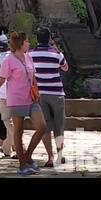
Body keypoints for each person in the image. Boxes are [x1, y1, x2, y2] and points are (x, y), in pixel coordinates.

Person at [0, 32, 47, 176]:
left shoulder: (29, 57)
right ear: (20, 44)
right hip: (16, 100)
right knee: (18, 131)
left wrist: (37, 91)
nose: (29, 43)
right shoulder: (8, 60)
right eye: (27, 41)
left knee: (42, 127)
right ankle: (22, 164)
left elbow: (33, 77)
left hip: (31, 98)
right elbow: (0, 80)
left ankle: (27, 156)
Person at [29, 28, 69, 167]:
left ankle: (50, 157)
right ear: (49, 38)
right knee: (59, 126)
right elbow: (65, 68)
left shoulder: (30, 54)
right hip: (57, 93)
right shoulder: (56, 54)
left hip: (40, 94)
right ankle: (59, 155)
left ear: (37, 39)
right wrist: (57, 50)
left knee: (45, 126)